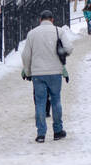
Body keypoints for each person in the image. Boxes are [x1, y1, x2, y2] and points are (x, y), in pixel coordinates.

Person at [20, 9, 69, 142]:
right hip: (55, 72)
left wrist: (28, 71)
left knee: (40, 103)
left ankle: (41, 133)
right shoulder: (59, 31)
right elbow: (69, 48)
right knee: (56, 101)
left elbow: (25, 55)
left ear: (40, 20)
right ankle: (58, 130)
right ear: (52, 20)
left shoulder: (32, 34)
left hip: (38, 74)